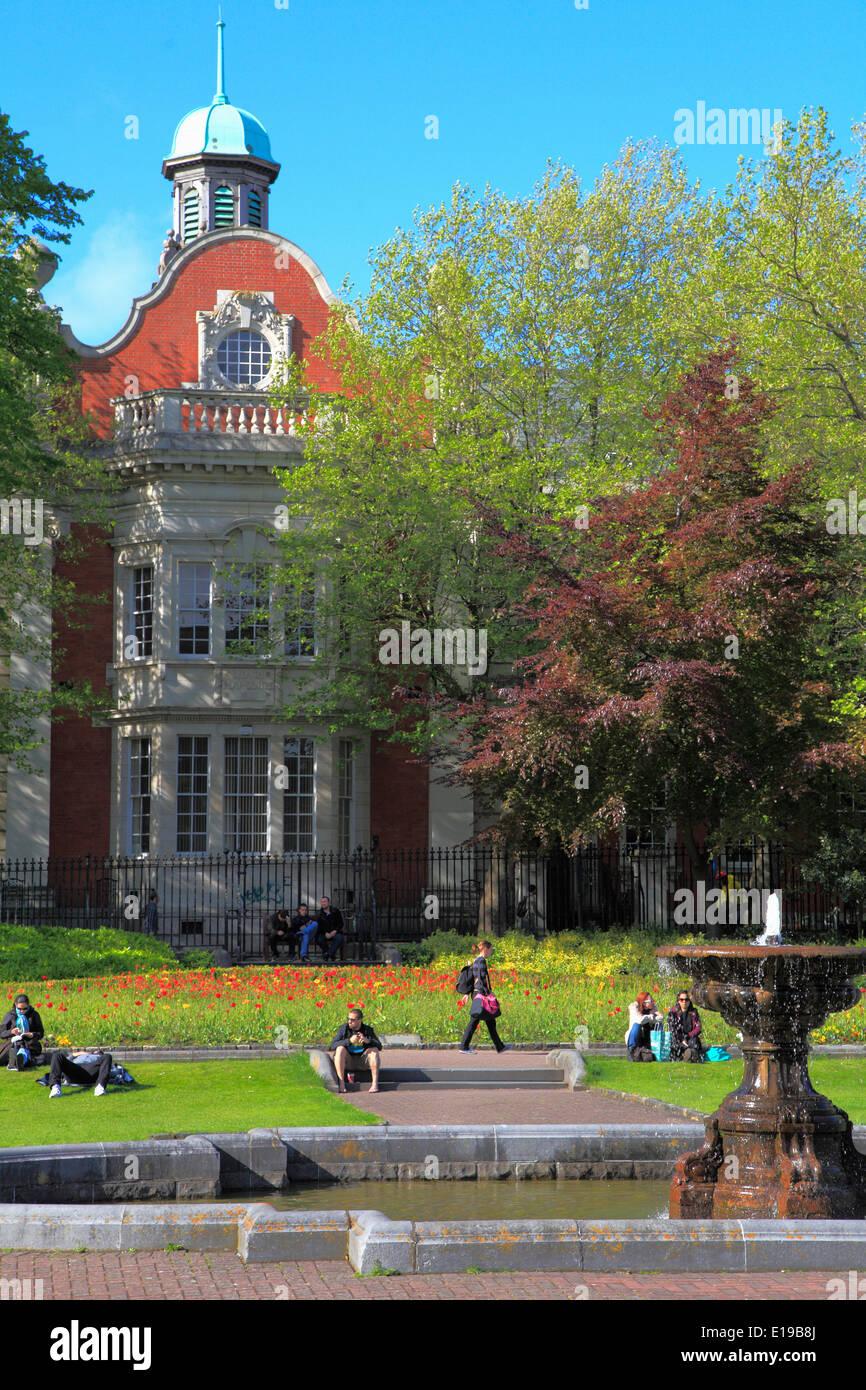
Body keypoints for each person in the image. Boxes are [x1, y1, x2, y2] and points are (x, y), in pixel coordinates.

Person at [459, 940, 510, 1053]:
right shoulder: (481, 961)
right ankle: (463, 1047)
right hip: (480, 994)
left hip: (476, 992)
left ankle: (500, 1046)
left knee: (491, 1021)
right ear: (485, 949)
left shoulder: (475, 960)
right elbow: (481, 979)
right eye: (490, 950)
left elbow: (473, 979)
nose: (491, 953)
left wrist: (467, 993)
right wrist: (488, 992)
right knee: (474, 1021)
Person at [330, 1008, 382, 1093]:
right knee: (340, 1049)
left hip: (362, 1062)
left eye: (352, 1020)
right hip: (348, 1062)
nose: (349, 1021)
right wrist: (349, 1041)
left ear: (359, 1020)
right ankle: (342, 1083)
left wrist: (367, 1040)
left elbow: (379, 1046)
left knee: (374, 1051)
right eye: (348, 1019)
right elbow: (332, 1046)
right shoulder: (344, 1029)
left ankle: (375, 1084)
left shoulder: (367, 1030)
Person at [0, 994, 45, 1070]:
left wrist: (32, 1034)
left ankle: (19, 1060)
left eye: (25, 1009)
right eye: (19, 1009)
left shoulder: (34, 1015)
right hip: (13, 1043)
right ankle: (19, 1061)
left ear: (28, 1005)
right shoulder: (10, 1015)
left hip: (29, 1042)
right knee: (16, 1045)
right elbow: (2, 1033)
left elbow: (41, 1033)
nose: (22, 1011)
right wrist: (11, 1032)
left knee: (25, 1047)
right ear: (15, 1004)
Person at [48, 1048, 114, 1098]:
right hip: (75, 1069)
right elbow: (62, 1061)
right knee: (57, 1055)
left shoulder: (100, 1057)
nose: (97, 1051)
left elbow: (107, 1067)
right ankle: (55, 1088)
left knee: (108, 1056)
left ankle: (100, 1087)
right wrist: (76, 1054)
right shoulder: (78, 1056)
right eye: (96, 1051)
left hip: (91, 1071)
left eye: (99, 1052)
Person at [668, 990, 705, 1062]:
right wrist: (682, 1039)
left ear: (689, 1001)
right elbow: (672, 1029)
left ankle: (690, 1054)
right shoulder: (673, 1012)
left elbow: (698, 1028)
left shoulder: (694, 1012)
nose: (684, 1001)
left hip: (690, 1037)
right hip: (678, 1038)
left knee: (694, 1041)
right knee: (676, 1043)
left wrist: (687, 1037)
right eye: (682, 1000)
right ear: (678, 1001)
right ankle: (687, 1055)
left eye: (686, 999)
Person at [625, 991, 663, 1061]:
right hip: (636, 1035)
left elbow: (660, 1018)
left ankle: (660, 1048)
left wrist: (657, 1016)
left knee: (659, 1024)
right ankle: (631, 1051)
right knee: (637, 1025)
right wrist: (652, 1016)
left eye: (652, 1000)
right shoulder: (634, 1007)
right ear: (643, 1002)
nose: (652, 1002)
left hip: (647, 1035)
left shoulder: (653, 1008)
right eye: (650, 1001)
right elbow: (640, 1020)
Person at [317, 897, 345, 961]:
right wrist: (325, 933)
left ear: (329, 903)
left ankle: (327, 954)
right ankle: (331, 954)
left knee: (339, 938)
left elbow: (341, 923)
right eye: (322, 902)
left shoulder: (335, 911)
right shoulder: (319, 914)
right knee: (319, 940)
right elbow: (319, 926)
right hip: (325, 933)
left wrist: (335, 931)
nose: (323, 903)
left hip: (335, 932)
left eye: (325, 901)